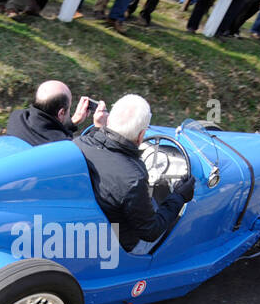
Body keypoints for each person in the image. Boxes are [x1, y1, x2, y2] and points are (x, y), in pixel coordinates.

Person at [75, 94, 194, 252]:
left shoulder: (79, 142)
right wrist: (179, 196)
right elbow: (150, 231)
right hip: (121, 243)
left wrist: (98, 128)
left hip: (89, 226)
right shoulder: (133, 178)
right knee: (176, 223)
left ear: (108, 121)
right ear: (140, 136)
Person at [3, 80, 95, 145]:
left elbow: (44, 128)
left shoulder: (17, 117)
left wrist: (72, 122)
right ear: (61, 113)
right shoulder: (62, 144)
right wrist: (101, 128)